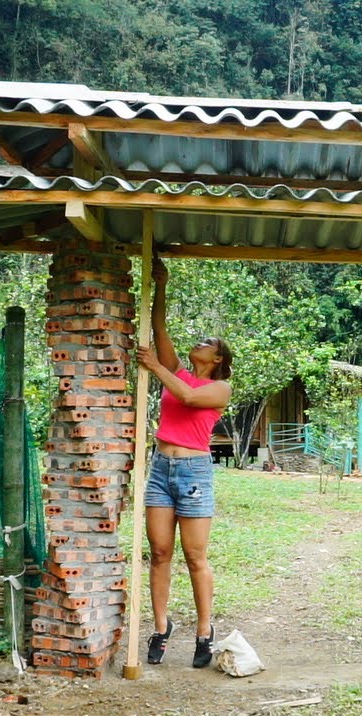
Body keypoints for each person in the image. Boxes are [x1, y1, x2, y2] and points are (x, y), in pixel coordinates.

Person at [134, 257, 233, 669]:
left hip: (193, 473)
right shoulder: (178, 369)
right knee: (158, 552)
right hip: (160, 468)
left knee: (195, 557)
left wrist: (156, 366)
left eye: (208, 341)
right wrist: (161, 284)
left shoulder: (218, 388)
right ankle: (161, 627)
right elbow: (159, 330)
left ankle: (204, 632)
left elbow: (189, 399)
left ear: (218, 357)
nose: (201, 341)